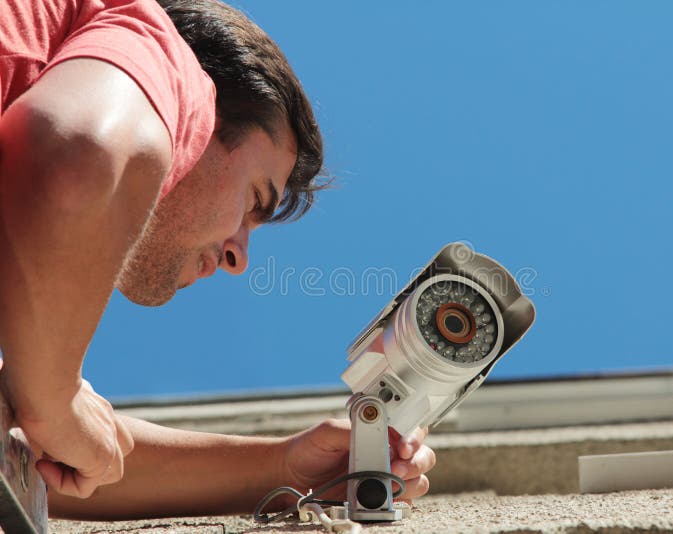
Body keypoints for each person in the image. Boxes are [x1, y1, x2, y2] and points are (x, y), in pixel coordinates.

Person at [0, 0, 435, 519]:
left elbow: (60, 463)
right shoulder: (151, 39)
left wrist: (285, 470)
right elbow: (77, 153)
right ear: (199, 116)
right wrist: (55, 397)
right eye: (255, 201)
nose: (238, 258)